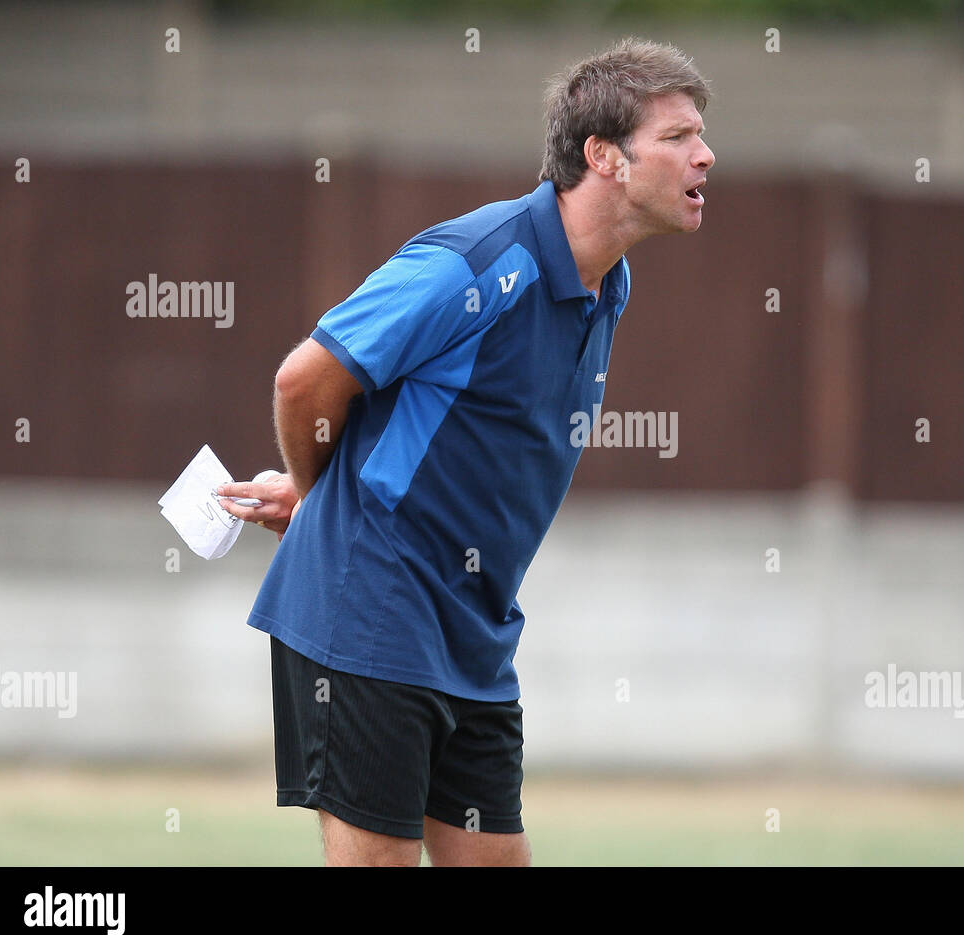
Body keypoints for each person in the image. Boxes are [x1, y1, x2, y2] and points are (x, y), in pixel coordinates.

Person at [216, 37, 714, 867]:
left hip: (475, 633)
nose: (705, 154)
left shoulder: (610, 283)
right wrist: (314, 495)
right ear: (604, 157)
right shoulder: (476, 263)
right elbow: (306, 379)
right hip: (370, 609)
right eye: (677, 136)